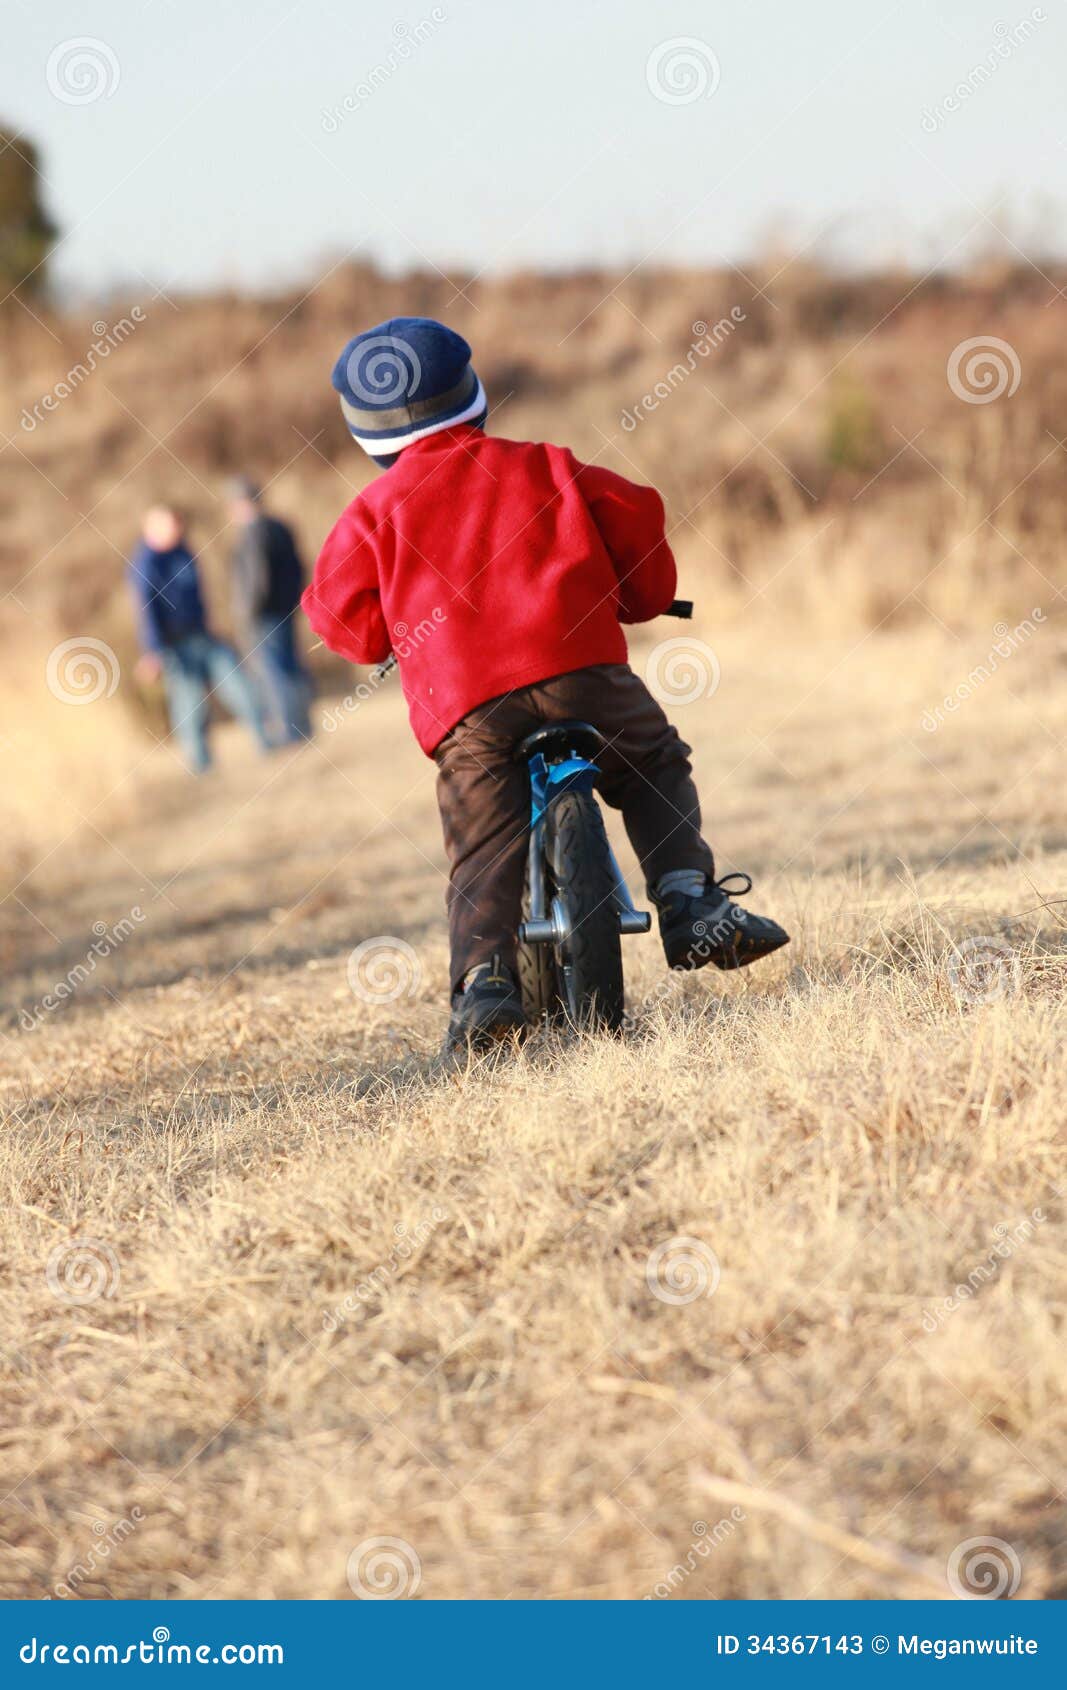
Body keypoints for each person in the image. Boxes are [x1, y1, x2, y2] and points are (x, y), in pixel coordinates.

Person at [302, 317, 789, 1051]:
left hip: (470, 706)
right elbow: (635, 519)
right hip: (583, 673)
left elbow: (343, 618)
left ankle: (484, 984)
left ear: (362, 433)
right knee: (652, 759)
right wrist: (641, 596)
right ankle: (690, 902)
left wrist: (383, 638)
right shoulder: (545, 465)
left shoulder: (373, 512)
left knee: (479, 839)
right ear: (474, 396)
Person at [129, 504, 270, 774]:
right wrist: (153, 651)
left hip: (203, 635)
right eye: (169, 524)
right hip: (173, 646)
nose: (176, 528)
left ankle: (265, 740)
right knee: (190, 703)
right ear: (151, 528)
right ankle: (200, 764)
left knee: (239, 686)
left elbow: (198, 597)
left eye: (177, 523)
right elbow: (146, 611)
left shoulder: (184, 551)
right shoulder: (145, 565)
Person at [226, 476, 312, 744]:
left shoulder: (253, 533)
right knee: (291, 667)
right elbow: (301, 568)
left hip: (263, 617)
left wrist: (246, 612)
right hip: (286, 611)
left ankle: (289, 733)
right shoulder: (280, 527)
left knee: (274, 673)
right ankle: (304, 728)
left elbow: (256, 579)